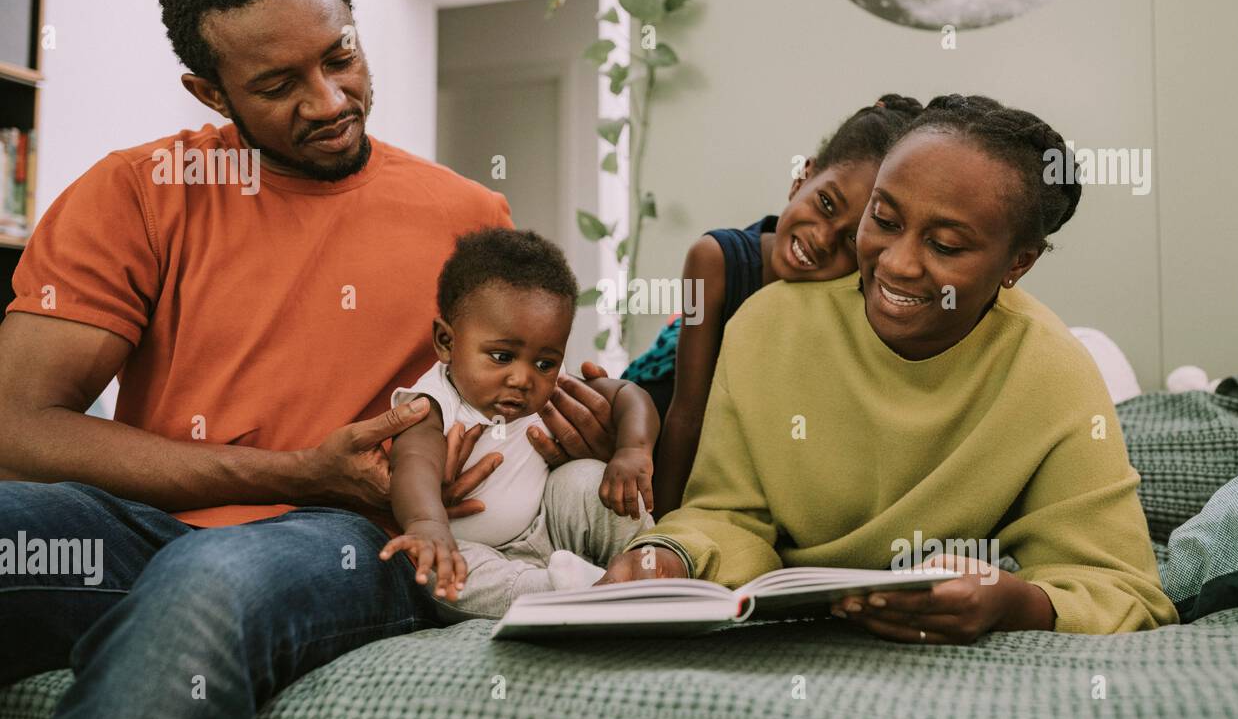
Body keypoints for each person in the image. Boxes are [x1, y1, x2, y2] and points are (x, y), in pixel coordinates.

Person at [0, 0, 616, 719]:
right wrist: (292, 469)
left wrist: (580, 430)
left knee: (209, 582)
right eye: (278, 83)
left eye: (341, 57)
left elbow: (508, 390)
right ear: (211, 92)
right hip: (144, 529)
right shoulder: (136, 193)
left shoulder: (468, 216)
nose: (328, 101)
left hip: (356, 541)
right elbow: (17, 428)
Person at [601, 94, 1180, 640]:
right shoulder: (766, 326)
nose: (898, 265)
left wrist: (1013, 603)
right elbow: (726, 516)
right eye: (883, 219)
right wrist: (669, 556)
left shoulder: (1054, 374)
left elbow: (1122, 587)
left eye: (946, 245)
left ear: (1018, 264)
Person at [623, 94, 922, 516]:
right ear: (803, 178)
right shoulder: (712, 259)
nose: (822, 238)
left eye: (852, 238)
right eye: (825, 204)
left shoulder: (856, 295)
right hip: (661, 408)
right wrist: (660, 532)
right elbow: (689, 416)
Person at [379, 228, 657, 619]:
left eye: (545, 362)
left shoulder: (549, 391)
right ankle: (570, 589)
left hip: (548, 526)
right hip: (475, 551)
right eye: (502, 356)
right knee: (448, 576)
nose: (524, 378)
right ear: (446, 341)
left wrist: (632, 449)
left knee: (588, 478)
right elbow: (413, 460)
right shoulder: (434, 401)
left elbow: (629, 394)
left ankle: (651, 563)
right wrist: (426, 524)